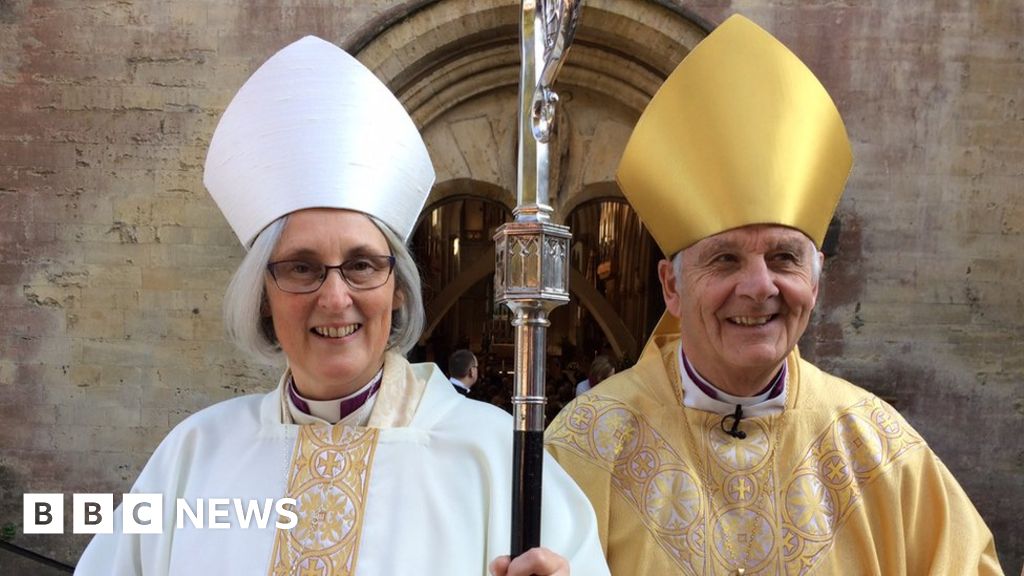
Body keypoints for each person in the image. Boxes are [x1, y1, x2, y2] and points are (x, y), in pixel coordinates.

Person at [74, 36, 608, 576]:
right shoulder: (192, 457)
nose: (335, 298)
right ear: (264, 293)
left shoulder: (495, 457)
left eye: (361, 264)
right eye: (302, 267)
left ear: (397, 287)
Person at [545, 15, 1003, 575]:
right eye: (725, 259)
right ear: (672, 287)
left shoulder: (884, 452)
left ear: (816, 278)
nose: (760, 286)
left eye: (784, 258)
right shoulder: (584, 449)